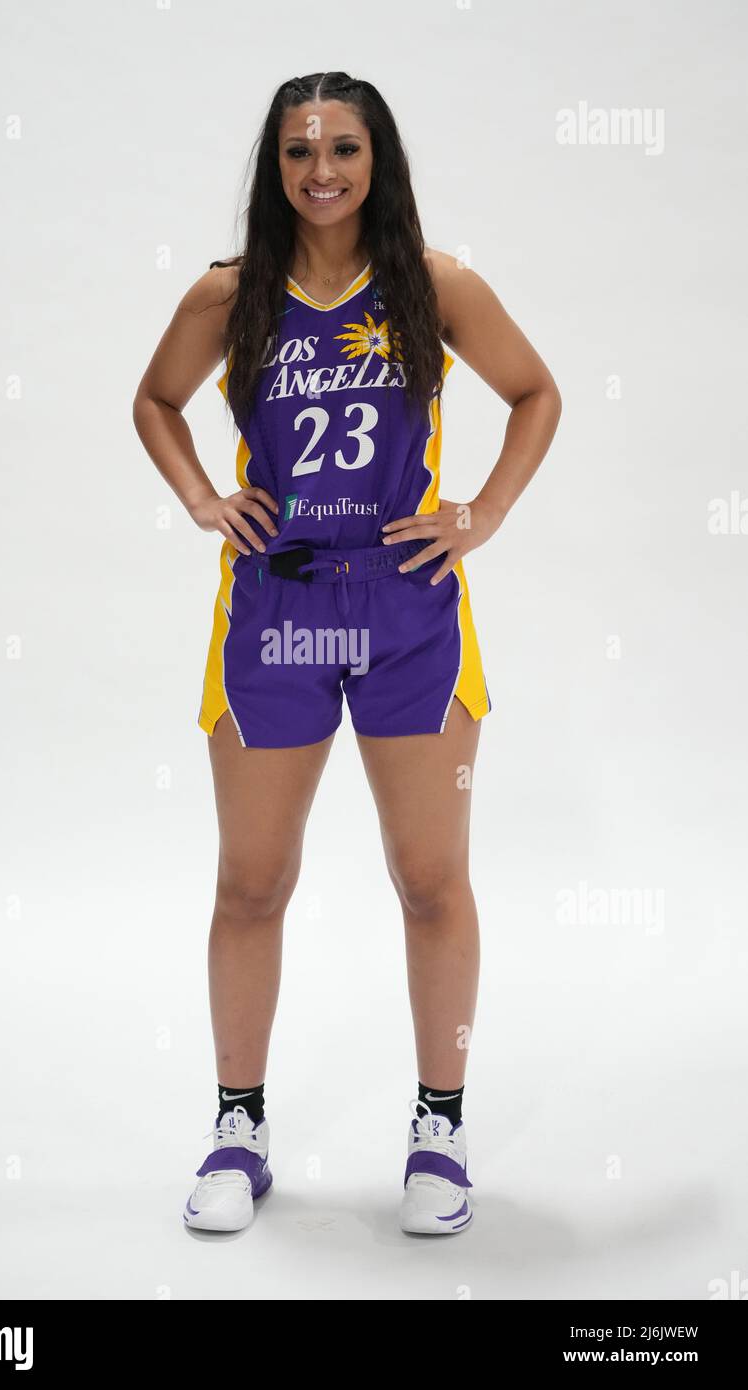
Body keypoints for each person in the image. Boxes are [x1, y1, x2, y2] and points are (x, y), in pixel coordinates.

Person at [132, 71, 561, 1236]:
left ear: (378, 160)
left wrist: (480, 513)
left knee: (429, 881)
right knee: (252, 880)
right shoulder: (230, 297)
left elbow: (533, 393)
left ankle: (439, 1126)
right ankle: (236, 1125)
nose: (320, 170)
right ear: (274, 168)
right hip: (271, 611)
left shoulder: (433, 284)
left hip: (409, 609)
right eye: (298, 151)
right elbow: (155, 403)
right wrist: (200, 499)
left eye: (344, 148)